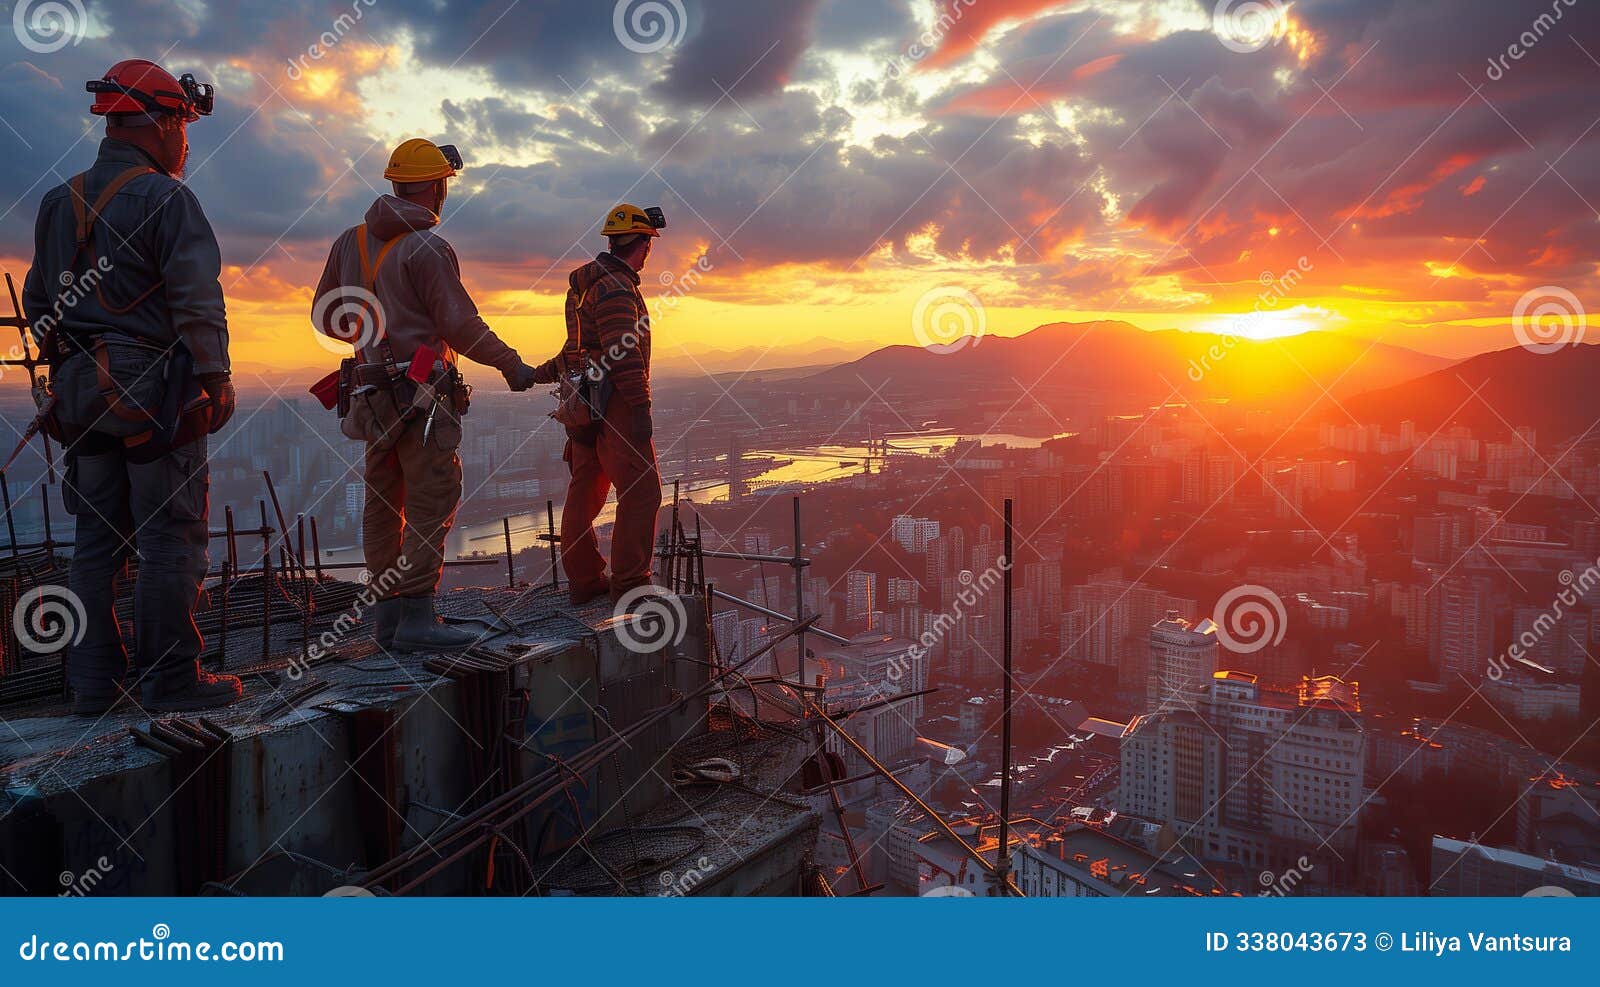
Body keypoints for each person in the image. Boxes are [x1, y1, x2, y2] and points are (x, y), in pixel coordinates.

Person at [22, 59, 240, 713]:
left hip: (79, 393)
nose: (186, 142)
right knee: (169, 534)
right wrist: (215, 376)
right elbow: (198, 298)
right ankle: (171, 679)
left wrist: (78, 360)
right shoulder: (168, 200)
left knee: (95, 541)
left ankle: (93, 682)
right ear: (161, 121)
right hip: (151, 394)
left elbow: (38, 303)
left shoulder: (60, 202)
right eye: (183, 124)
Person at [313, 138, 540, 651]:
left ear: (395, 183)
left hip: (372, 397)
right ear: (436, 187)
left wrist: (371, 333)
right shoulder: (427, 247)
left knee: (381, 500)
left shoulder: (350, 242)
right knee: (431, 499)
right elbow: (459, 324)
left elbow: (325, 316)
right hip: (421, 400)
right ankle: (417, 618)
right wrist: (511, 364)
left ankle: (388, 620)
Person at [532, 203, 665, 605]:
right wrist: (640, 407)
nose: (648, 253)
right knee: (642, 492)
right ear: (640, 244)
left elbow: (576, 348)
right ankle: (630, 584)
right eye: (648, 244)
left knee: (586, 486)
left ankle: (585, 579)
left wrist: (541, 373)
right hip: (615, 401)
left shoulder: (584, 287)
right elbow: (623, 352)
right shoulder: (616, 288)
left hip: (583, 402)